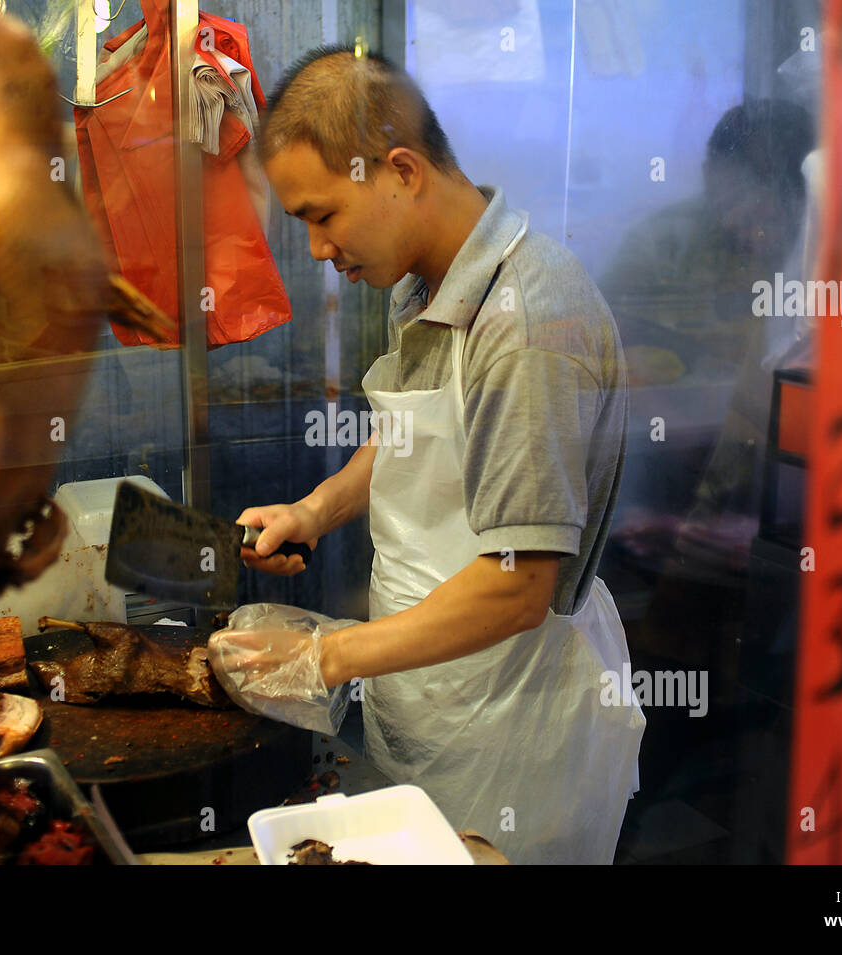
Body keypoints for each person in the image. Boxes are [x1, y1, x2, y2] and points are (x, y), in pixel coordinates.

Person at [208, 46, 645, 864]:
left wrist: (321, 656)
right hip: (432, 702)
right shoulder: (428, 282)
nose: (314, 249)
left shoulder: (525, 323)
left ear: (400, 170)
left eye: (322, 214)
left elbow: (518, 585)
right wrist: (317, 509)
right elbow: (423, 430)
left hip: (511, 734)